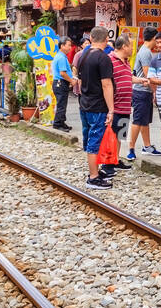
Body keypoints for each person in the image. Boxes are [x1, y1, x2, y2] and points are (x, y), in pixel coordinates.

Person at [76, 26, 116, 190]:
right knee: (95, 140)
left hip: (84, 102)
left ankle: (95, 172)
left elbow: (79, 79)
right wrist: (111, 109)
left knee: (90, 137)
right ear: (106, 39)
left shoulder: (83, 55)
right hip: (97, 105)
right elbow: (106, 85)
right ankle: (93, 177)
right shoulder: (103, 58)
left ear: (91, 38)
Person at [103, 35, 135, 174]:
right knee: (112, 136)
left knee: (120, 135)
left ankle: (115, 160)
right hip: (115, 106)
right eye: (131, 46)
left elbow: (128, 78)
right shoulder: (110, 60)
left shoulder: (126, 61)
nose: (133, 49)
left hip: (126, 106)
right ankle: (107, 164)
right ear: (124, 46)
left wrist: (141, 80)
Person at [129, 28, 160, 158]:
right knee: (138, 120)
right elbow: (148, 75)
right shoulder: (146, 53)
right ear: (154, 38)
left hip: (142, 91)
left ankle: (147, 146)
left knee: (144, 120)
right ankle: (131, 149)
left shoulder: (144, 50)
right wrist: (155, 92)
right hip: (141, 91)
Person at [50, 37, 75, 131]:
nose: (70, 47)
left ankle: (61, 122)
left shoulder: (61, 56)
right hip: (60, 83)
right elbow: (62, 73)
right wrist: (72, 81)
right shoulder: (61, 57)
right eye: (68, 45)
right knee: (61, 104)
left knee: (63, 104)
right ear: (62, 46)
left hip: (60, 83)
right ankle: (57, 124)